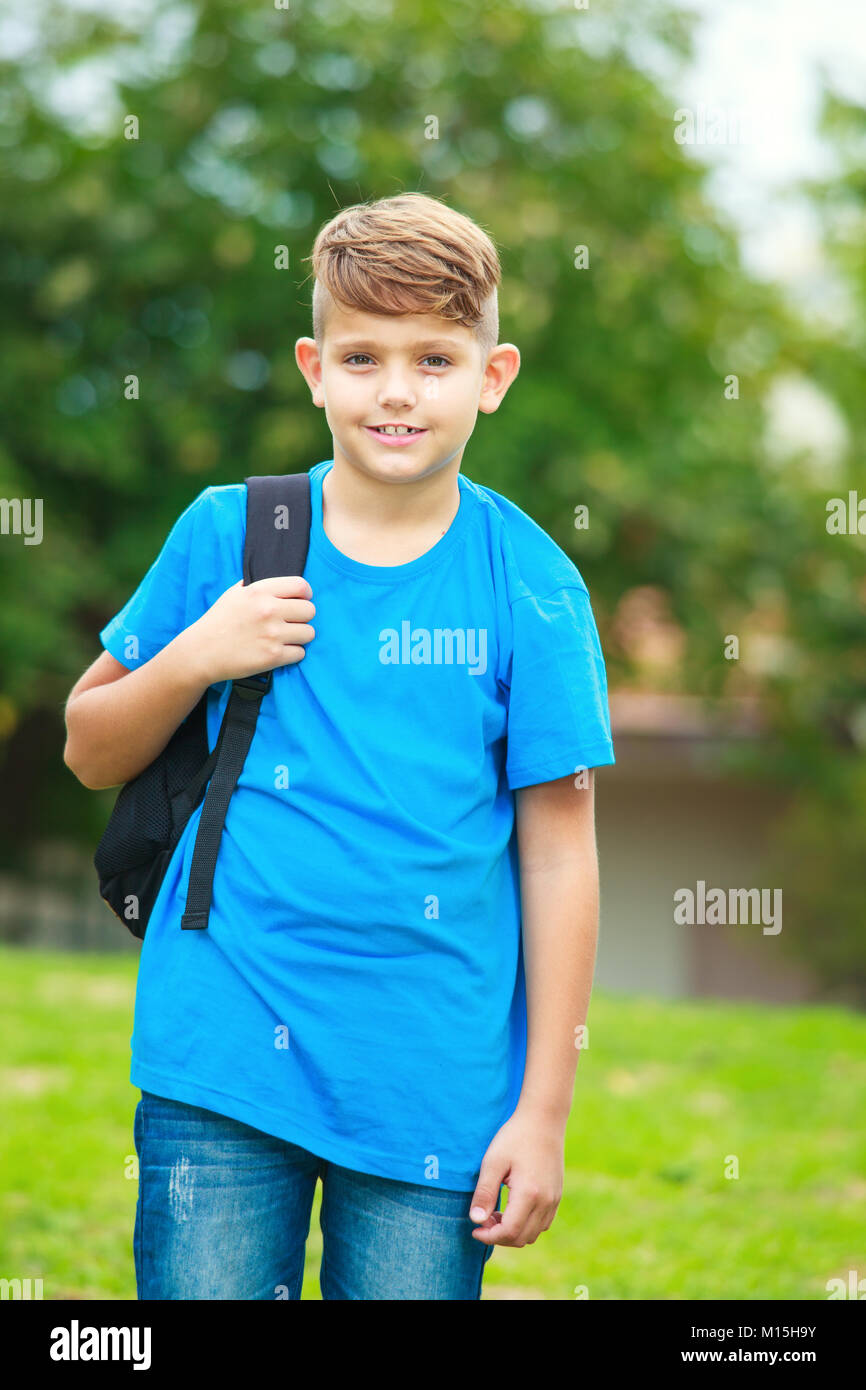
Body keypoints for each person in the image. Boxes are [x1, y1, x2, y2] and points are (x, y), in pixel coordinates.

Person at [63, 191, 616, 1300]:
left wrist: (541, 1111)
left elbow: (558, 855)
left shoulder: (532, 584)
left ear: (491, 376)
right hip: (220, 1056)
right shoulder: (231, 531)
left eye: (434, 359)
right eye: (362, 357)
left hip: (433, 1081)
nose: (397, 392)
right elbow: (89, 749)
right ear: (314, 368)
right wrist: (194, 657)